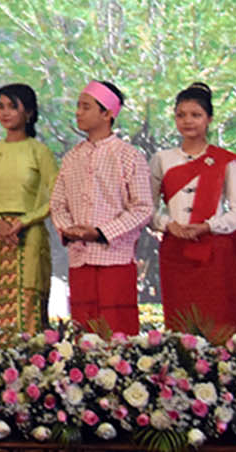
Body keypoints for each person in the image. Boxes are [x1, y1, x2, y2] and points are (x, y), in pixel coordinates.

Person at [50, 79, 153, 336]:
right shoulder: (72, 157)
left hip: (115, 260)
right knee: (82, 331)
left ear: (107, 114)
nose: (78, 112)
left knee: (117, 332)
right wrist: (70, 230)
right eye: (78, 106)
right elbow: (58, 204)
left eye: (86, 107)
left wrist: (100, 233)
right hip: (80, 259)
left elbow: (142, 208)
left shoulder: (129, 156)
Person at [150, 82, 236, 337]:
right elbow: (147, 208)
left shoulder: (228, 161)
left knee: (219, 323)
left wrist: (208, 226)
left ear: (209, 119)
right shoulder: (162, 160)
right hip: (175, 250)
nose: (188, 121)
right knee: (180, 325)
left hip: (216, 253)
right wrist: (168, 225)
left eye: (196, 115)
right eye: (181, 115)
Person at [0, 83, 56, 335]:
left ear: (28, 112)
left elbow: (57, 197)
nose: (5, 112)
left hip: (29, 236)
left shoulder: (40, 152)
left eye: (12, 106)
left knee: (28, 307)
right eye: (1, 107)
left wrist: (25, 221)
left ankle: (30, 358)